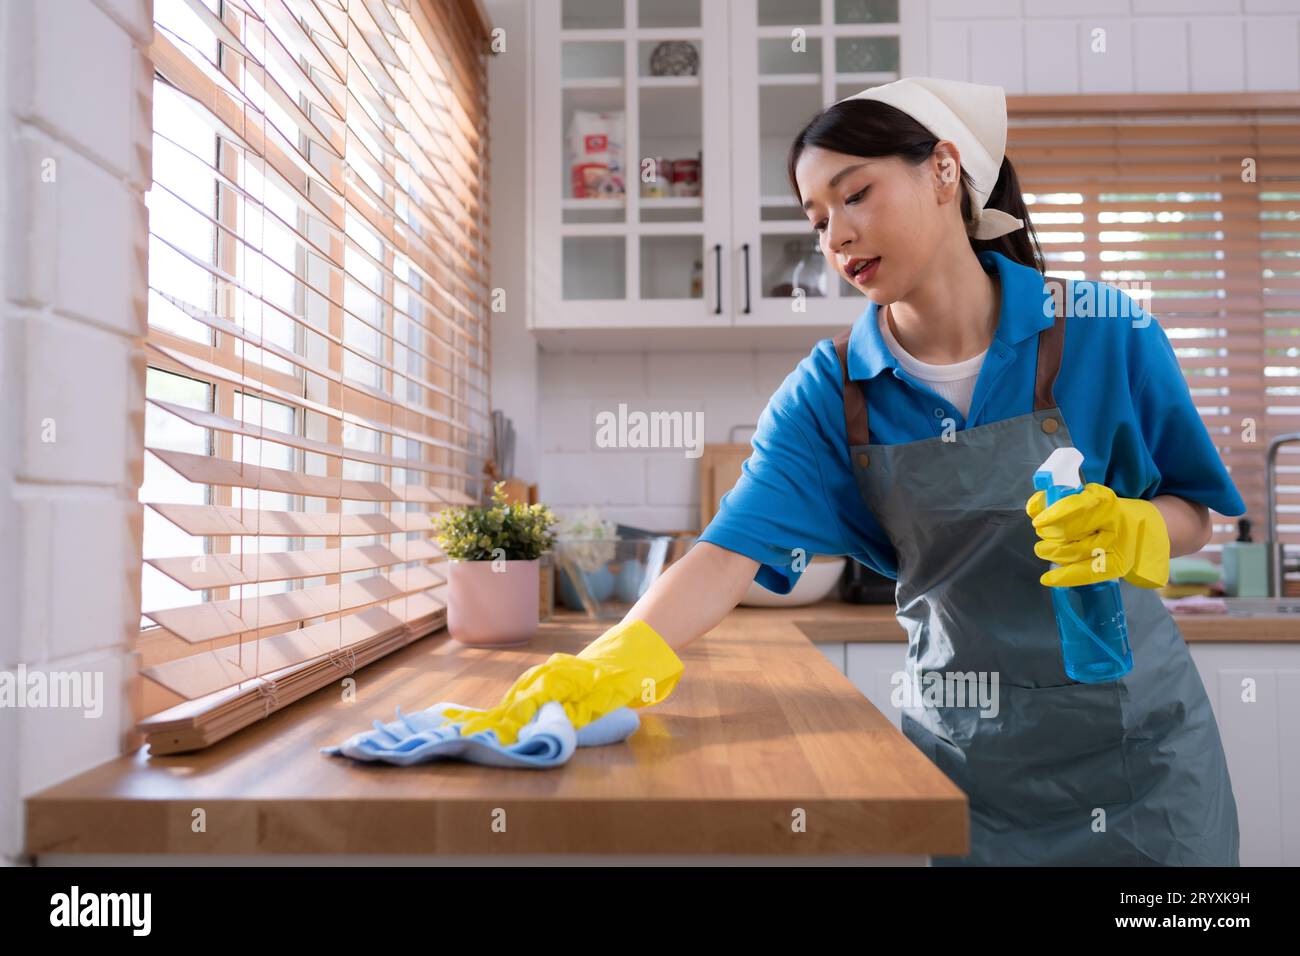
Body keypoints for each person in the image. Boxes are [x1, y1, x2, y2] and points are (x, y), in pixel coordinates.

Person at [442, 77, 1244, 866]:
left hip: (1141, 762)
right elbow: (726, 554)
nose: (836, 238)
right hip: (973, 763)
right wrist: (607, 665)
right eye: (817, 219)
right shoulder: (833, 392)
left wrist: (1135, 530)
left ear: (942, 170)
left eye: (854, 195)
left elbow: (1195, 510)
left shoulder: (1108, 332)